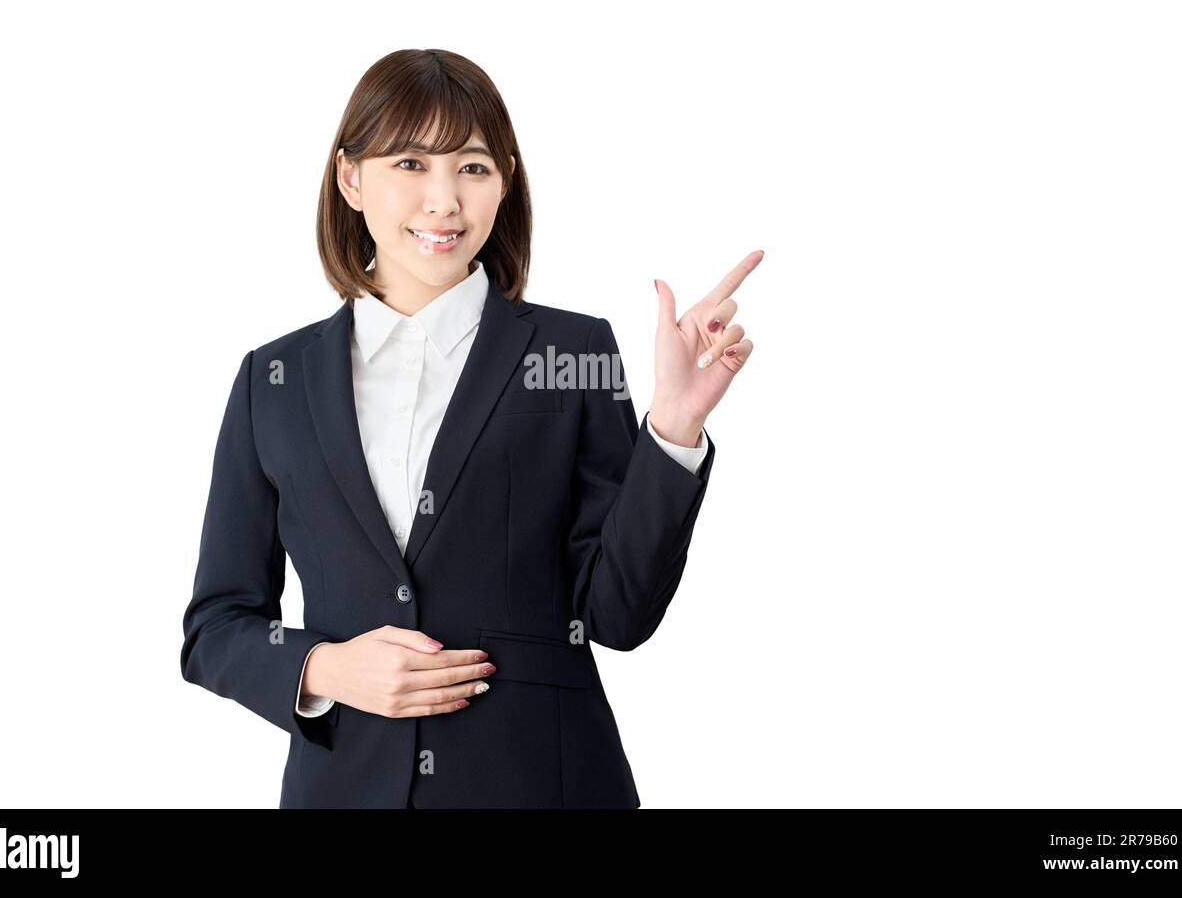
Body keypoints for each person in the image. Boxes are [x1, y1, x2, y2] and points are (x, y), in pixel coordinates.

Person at [180, 48, 761, 808]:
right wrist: (324, 667)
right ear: (351, 179)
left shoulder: (570, 354)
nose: (445, 200)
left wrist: (674, 429)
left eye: (474, 167)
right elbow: (216, 626)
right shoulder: (272, 382)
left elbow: (617, 615)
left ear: (505, 180)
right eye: (412, 163)